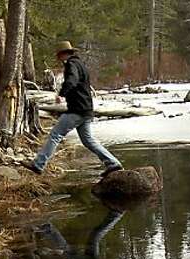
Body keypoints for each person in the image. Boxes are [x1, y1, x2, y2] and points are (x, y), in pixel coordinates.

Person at [23, 42, 123, 176]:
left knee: (55, 135)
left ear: (63, 54)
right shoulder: (80, 64)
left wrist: (62, 94)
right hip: (86, 109)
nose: (58, 59)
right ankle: (113, 163)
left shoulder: (72, 65)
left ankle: (38, 164)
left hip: (77, 110)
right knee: (88, 140)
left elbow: (72, 80)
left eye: (59, 55)